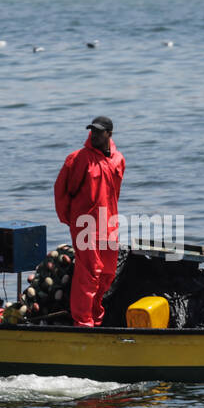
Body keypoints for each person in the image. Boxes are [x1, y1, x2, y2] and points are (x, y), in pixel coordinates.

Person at [54, 116, 125, 327]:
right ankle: (83, 322)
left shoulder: (119, 159)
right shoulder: (76, 159)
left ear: (109, 134)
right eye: (92, 131)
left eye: (99, 132)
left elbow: (115, 193)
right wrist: (70, 220)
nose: (94, 135)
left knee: (108, 273)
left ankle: (96, 316)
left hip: (110, 223)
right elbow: (61, 191)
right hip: (85, 225)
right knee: (89, 273)